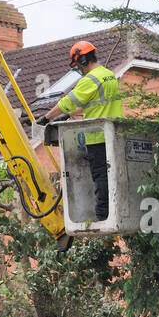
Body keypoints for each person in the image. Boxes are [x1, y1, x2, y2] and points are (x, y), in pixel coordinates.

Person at [41, 40, 122, 221]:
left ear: (83, 60)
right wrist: (68, 115)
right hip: (115, 135)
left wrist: (46, 118)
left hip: (96, 137)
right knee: (114, 175)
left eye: (78, 64)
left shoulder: (89, 79)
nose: (79, 68)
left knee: (101, 177)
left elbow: (67, 101)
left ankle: (103, 217)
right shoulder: (109, 75)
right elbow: (92, 103)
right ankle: (115, 212)